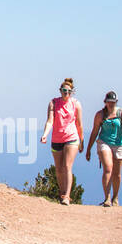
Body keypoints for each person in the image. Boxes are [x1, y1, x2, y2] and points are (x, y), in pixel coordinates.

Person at [85, 91, 122, 207]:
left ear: (116, 102)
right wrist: (88, 149)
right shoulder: (100, 115)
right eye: (109, 102)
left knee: (117, 174)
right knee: (108, 168)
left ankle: (115, 197)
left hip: (120, 144)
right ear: (105, 102)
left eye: (113, 102)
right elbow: (94, 132)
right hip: (104, 142)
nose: (111, 104)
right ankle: (107, 197)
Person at [40, 77, 84, 205]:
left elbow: (79, 124)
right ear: (60, 91)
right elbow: (50, 121)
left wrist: (81, 140)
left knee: (67, 166)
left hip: (71, 138)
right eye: (64, 91)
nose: (66, 93)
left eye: (69, 91)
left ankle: (67, 196)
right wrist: (45, 135)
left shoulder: (76, 104)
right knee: (58, 169)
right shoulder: (53, 103)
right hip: (56, 138)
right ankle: (62, 192)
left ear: (72, 92)